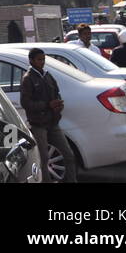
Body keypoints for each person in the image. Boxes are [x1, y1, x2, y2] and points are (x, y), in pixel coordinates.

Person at [19, 48, 77, 182]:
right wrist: (46, 105)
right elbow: (26, 103)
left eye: (43, 59)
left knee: (68, 154)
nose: (42, 62)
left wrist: (58, 105)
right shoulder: (28, 79)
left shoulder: (47, 75)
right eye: (39, 59)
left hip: (53, 122)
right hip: (38, 124)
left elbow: (56, 93)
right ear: (32, 61)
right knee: (43, 158)